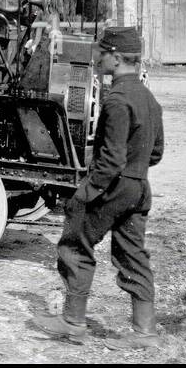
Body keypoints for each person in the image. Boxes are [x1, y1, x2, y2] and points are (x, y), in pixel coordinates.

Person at [36, 26, 165, 348]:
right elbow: (157, 152)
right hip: (139, 187)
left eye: (102, 53)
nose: (97, 58)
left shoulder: (118, 99)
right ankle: (145, 333)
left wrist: (85, 194)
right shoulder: (149, 99)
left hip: (114, 187)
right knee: (133, 255)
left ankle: (73, 322)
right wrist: (133, 176)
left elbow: (111, 159)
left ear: (117, 58)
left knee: (75, 244)